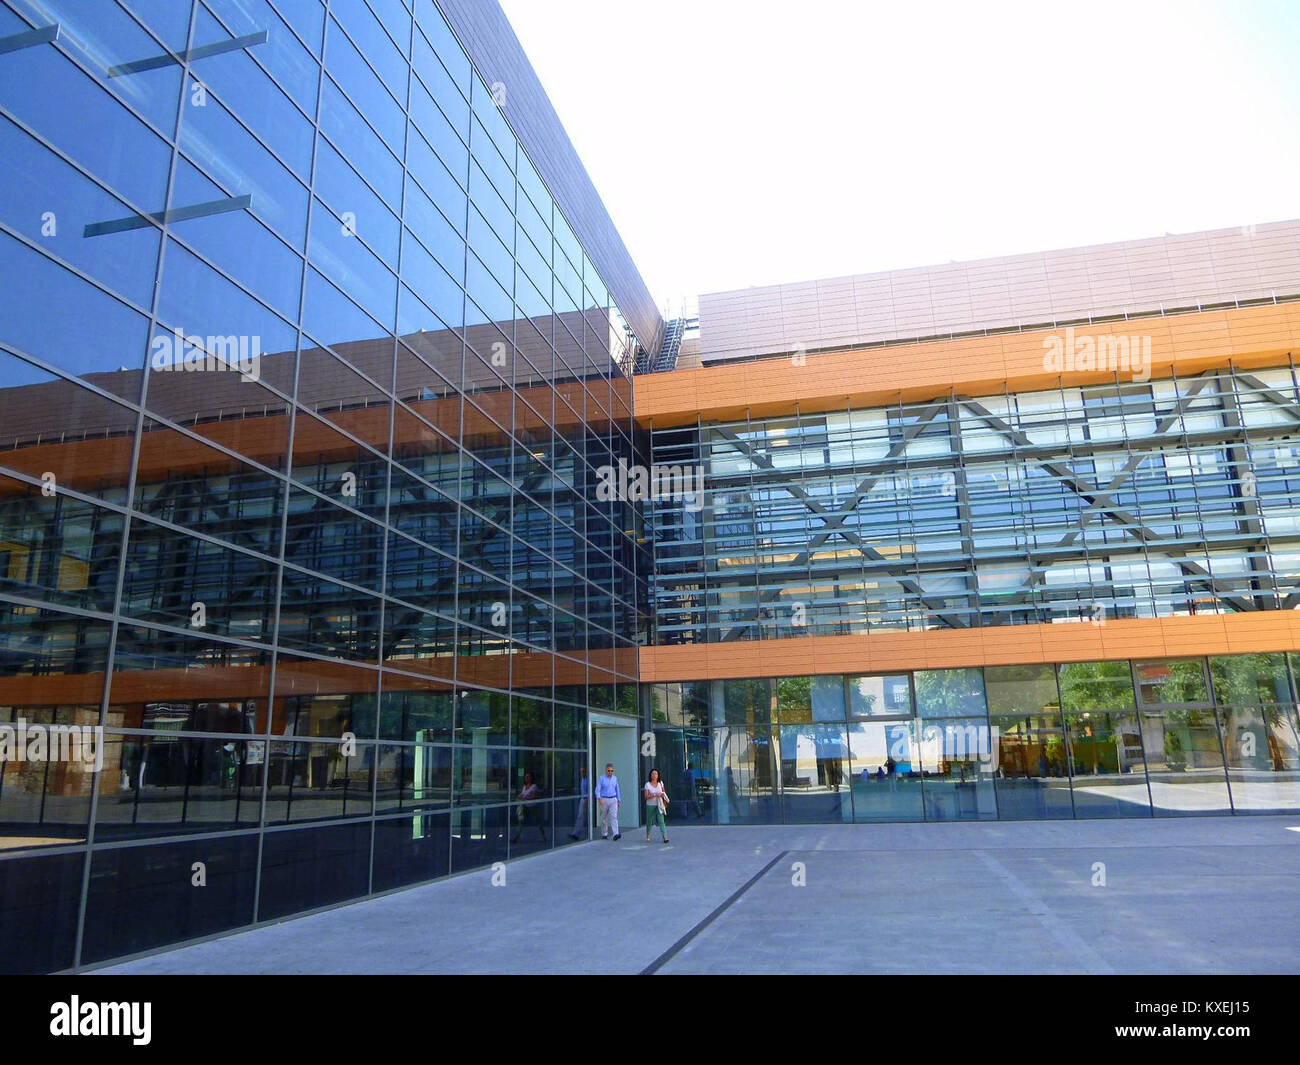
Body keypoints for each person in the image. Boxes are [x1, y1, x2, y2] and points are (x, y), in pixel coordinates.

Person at [510, 771, 546, 844]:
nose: (526, 778)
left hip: (532, 806)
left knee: (538, 821)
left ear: (531, 778)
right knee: (521, 821)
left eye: (528, 777)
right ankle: (516, 837)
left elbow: (532, 796)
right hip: (525, 806)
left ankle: (543, 836)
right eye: (526, 777)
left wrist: (525, 797)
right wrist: (519, 797)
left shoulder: (534, 786)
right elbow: (521, 795)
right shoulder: (524, 787)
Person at [595, 762, 622, 840]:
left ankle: (615, 834)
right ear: (606, 770)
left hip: (613, 799)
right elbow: (597, 789)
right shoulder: (601, 778)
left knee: (614, 816)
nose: (610, 772)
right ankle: (604, 833)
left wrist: (619, 800)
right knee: (603, 818)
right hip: (604, 799)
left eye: (611, 771)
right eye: (608, 771)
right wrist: (599, 798)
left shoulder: (615, 778)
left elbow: (617, 789)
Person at [644, 768, 669, 843]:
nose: (654, 775)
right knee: (649, 821)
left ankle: (665, 837)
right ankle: (648, 835)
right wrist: (655, 794)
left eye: (656, 774)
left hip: (659, 805)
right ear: (650, 775)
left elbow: (663, 792)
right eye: (653, 774)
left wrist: (661, 794)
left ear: (658, 775)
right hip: (650, 805)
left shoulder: (660, 783)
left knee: (661, 821)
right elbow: (646, 796)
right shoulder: (647, 785)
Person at [568, 765, 589, 840]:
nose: (582, 773)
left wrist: (587, 800)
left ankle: (577, 833)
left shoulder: (587, 780)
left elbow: (588, 790)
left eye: (583, 772)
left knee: (582, 816)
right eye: (581, 772)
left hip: (586, 799)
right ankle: (576, 833)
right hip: (582, 799)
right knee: (581, 816)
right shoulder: (583, 779)